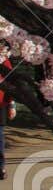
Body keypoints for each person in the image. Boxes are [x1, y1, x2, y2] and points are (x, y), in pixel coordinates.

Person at [0, 42, 13, 180]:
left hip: (1, 102)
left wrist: (11, 104)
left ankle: (1, 167)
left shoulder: (4, 60)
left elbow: (10, 83)